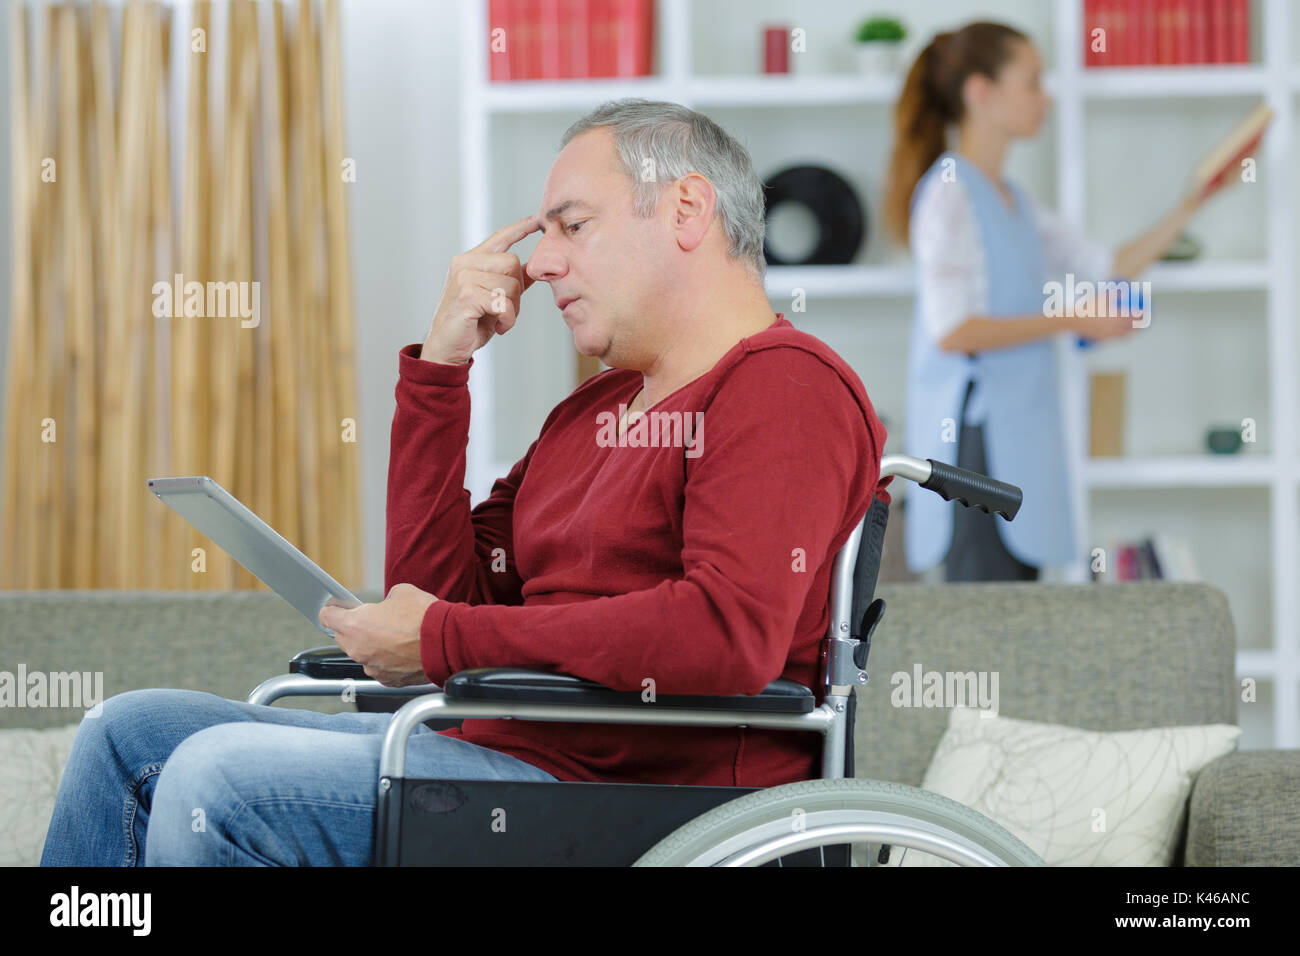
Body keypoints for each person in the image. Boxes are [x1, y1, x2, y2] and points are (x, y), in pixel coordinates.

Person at [41, 99, 889, 866]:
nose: (542, 262)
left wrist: (446, 639)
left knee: (217, 776)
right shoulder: (590, 414)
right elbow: (438, 590)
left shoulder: (784, 384)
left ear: (686, 210)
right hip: (495, 761)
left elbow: (724, 633)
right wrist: (442, 369)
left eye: (571, 226)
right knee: (126, 732)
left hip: (637, 804)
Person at [883, 21, 1217, 582]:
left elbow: (1104, 266)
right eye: (1033, 81)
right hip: (974, 443)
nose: (1047, 97)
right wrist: (1073, 318)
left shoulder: (1014, 201)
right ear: (981, 92)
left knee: (1018, 609)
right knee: (988, 618)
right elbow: (954, 330)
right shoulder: (947, 194)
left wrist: (1191, 204)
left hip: (1017, 438)